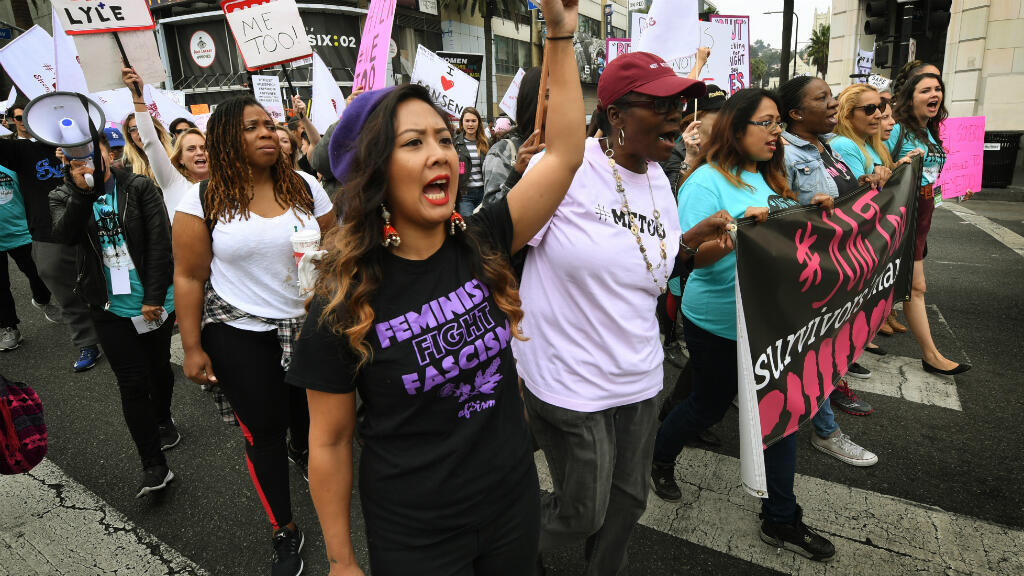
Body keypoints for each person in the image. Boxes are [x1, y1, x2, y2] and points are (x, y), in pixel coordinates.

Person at [285, 2, 583, 574]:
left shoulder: (484, 236)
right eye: (413, 143)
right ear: (376, 173)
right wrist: (342, 560)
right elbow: (327, 443)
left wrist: (561, 33)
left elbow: (565, 155)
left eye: (443, 138)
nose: (440, 152)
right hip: (417, 533)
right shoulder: (341, 302)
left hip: (512, 504)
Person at [515, 51, 732, 576]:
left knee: (628, 503)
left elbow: (649, 271)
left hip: (638, 376)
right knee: (583, 511)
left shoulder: (660, 180)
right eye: (662, 104)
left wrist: (688, 245)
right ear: (615, 115)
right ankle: (504, 542)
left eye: (682, 103)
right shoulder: (564, 169)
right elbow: (500, 247)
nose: (680, 115)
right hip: (569, 380)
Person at [650, 88, 836, 562]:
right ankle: (660, 453)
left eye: (778, 124)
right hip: (717, 321)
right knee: (706, 406)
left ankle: (780, 518)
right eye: (767, 123)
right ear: (736, 129)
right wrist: (738, 233)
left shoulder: (769, 177)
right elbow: (693, 259)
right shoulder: (703, 184)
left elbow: (786, 242)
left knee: (782, 416)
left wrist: (810, 214)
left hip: (771, 322)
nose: (777, 133)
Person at [173, 95, 337, 576]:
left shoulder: (306, 187)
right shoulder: (202, 199)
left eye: (270, 124)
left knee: (309, 418)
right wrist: (191, 347)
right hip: (238, 330)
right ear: (226, 138)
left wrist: (327, 280)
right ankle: (284, 529)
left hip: (308, 328)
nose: (267, 132)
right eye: (252, 127)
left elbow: (336, 244)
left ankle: (304, 451)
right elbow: (188, 276)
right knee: (263, 430)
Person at [49, 135, 179, 497]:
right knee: (132, 383)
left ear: (109, 155)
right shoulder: (62, 194)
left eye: (92, 157)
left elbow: (160, 243)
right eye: (76, 162)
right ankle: (153, 465)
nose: (85, 166)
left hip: (153, 301)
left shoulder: (138, 187)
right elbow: (64, 236)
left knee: (158, 369)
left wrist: (153, 297)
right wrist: (81, 194)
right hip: (108, 306)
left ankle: (164, 417)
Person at [775, 76, 879, 467]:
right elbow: (777, 214)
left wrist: (871, 183)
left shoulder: (829, 148)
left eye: (831, 95)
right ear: (797, 113)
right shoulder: (783, 154)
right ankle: (827, 431)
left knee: (817, 352)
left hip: (836, 267)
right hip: (809, 271)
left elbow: (843, 201)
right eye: (823, 98)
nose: (833, 103)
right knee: (810, 354)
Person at [887, 71, 972, 376]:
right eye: (925, 90)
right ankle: (931, 355)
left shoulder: (931, 131)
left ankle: (868, 331)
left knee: (895, 285)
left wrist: (957, 187)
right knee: (916, 286)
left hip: (923, 216)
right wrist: (899, 164)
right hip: (901, 218)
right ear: (910, 98)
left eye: (937, 89)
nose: (934, 94)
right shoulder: (897, 130)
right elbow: (882, 170)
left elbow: (931, 178)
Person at [0, 124, 101, 372]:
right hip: (48, 233)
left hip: (94, 223)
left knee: (110, 279)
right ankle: (88, 343)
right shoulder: (22, 150)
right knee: (66, 293)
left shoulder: (86, 143)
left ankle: (123, 330)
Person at [124, 69, 209, 218]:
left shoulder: (226, 185)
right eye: (191, 148)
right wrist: (138, 96)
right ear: (180, 158)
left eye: (204, 147)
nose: (199, 152)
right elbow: (150, 142)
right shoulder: (172, 182)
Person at [1, 159, 58, 351]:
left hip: (21, 231)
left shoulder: (10, 161)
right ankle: (8, 327)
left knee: (40, 274)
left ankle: (42, 300)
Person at [481, 67, 545, 208]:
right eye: (547, 95)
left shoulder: (568, 153)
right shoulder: (503, 152)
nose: (558, 103)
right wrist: (516, 174)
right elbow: (490, 210)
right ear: (532, 102)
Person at [121, 111, 174, 185]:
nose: (139, 131)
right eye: (133, 129)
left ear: (157, 130)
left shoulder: (177, 158)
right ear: (130, 137)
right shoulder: (125, 166)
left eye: (143, 126)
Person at [454, 106, 489, 214]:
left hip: (484, 193)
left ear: (478, 122)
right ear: (462, 123)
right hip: (465, 195)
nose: (470, 124)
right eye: (467, 121)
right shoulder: (455, 143)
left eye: (473, 121)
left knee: (483, 227)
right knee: (469, 227)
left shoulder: (486, 143)